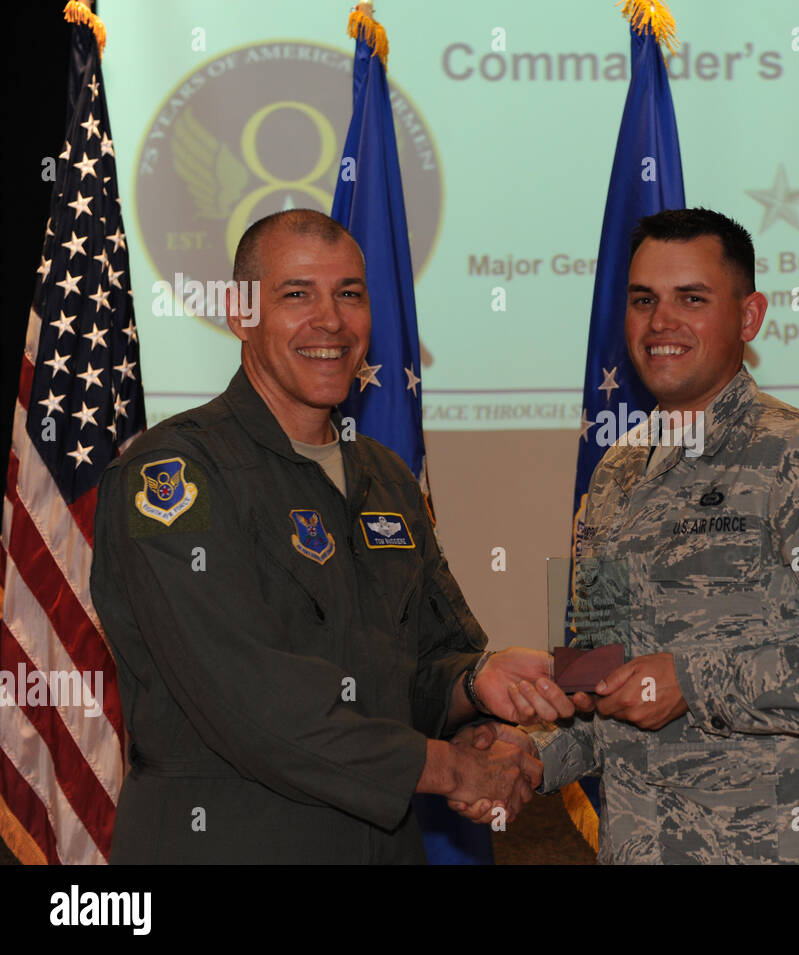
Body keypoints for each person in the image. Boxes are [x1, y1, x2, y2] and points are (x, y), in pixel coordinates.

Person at [457, 208, 799, 863]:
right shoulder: (615, 477)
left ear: (749, 316)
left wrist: (697, 680)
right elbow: (600, 683)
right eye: (643, 300)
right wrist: (531, 755)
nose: (662, 322)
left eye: (692, 299)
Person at [90, 209, 571, 863]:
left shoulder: (385, 478)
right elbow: (254, 706)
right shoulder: (176, 476)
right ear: (241, 312)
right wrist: (453, 769)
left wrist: (476, 683)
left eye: (350, 293)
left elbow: (419, 670)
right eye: (297, 294)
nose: (331, 320)